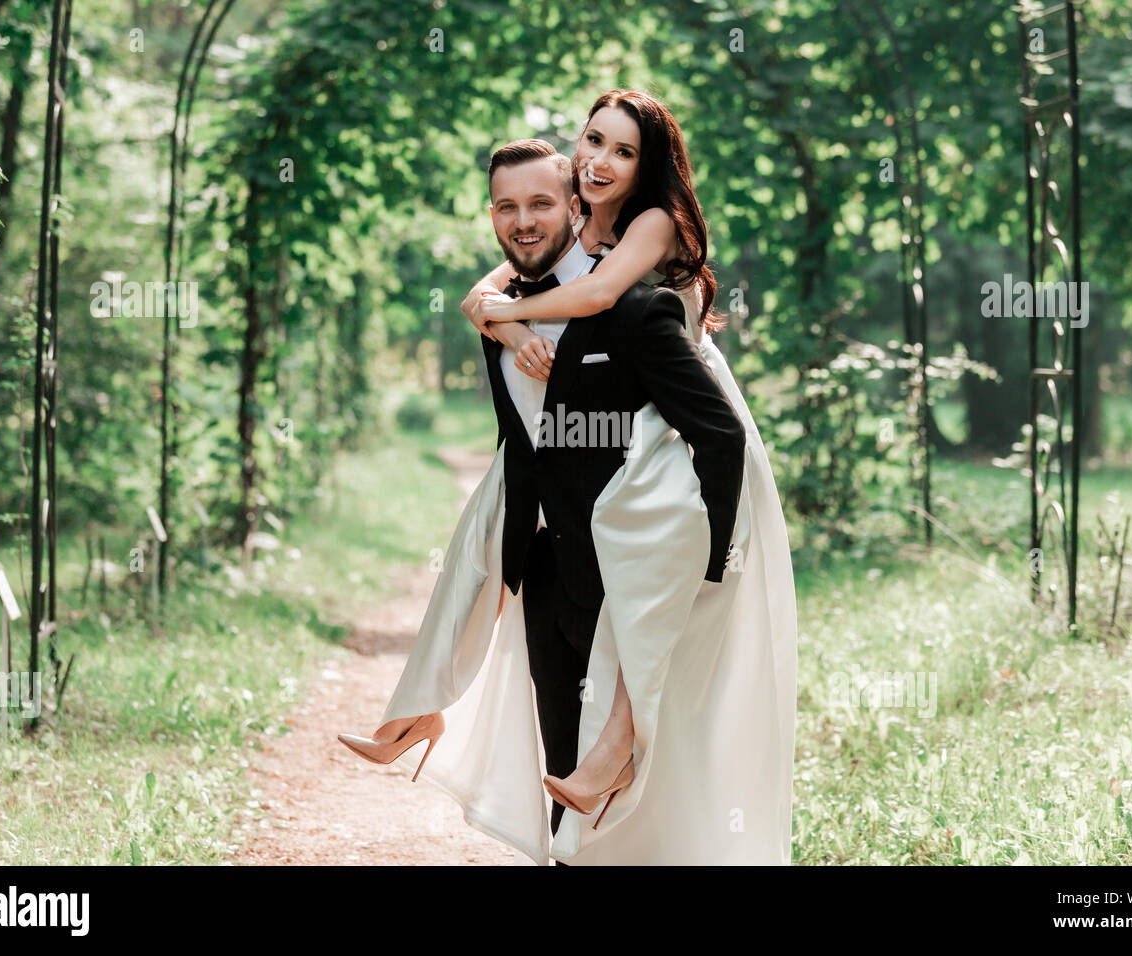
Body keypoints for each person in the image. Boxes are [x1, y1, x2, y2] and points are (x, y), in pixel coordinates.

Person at [338, 92, 797, 865]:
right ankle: (423, 709)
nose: (601, 163)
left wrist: (713, 558)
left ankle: (612, 777)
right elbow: (492, 297)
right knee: (558, 757)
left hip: (629, 549)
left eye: (621, 152)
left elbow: (709, 426)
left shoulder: (638, 286)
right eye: (592, 144)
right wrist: (497, 313)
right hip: (545, 561)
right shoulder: (531, 272)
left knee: (634, 766)